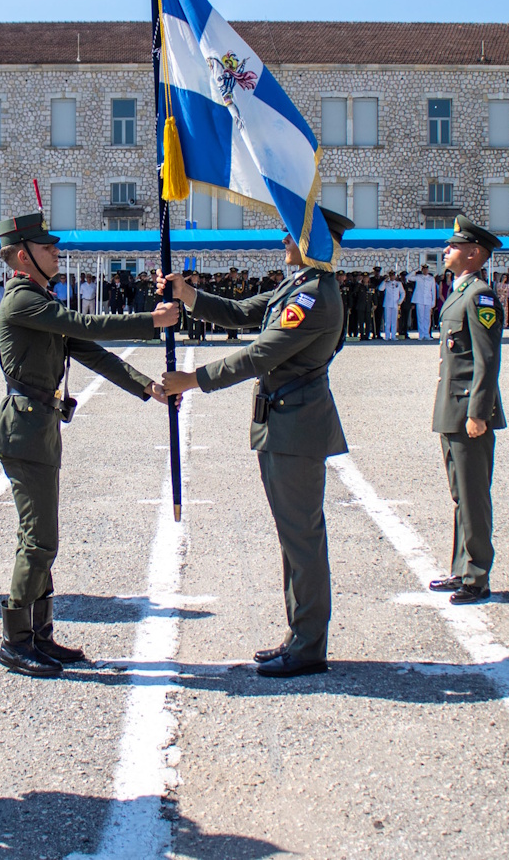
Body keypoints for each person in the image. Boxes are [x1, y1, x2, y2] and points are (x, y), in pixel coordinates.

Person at [162, 209, 352, 678]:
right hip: (283, 423)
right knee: (293, 538)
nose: (284, 237)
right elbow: (244, 313)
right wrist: (190, 295)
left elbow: (260, 354)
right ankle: (299, 634)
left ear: (315, 242)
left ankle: (309, 645)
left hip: (295, 426)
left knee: (302, 539)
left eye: (293, 232)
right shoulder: (297, 285)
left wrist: (192, 379)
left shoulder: (313, 296)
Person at [0, 213, 179, 676]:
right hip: (24, 430)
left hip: (40, 428)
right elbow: (84, 325)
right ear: (21, 255)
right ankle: (16, 642)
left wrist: (144, 385)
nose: (56, 253)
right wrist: (151, 321)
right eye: (47, 247)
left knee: (42, 539)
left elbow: (89, 351)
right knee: (39, 540)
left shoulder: (40, 298)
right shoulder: (21, 302)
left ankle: (41, 635)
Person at [427, 218, 505, 604]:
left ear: (474, 253)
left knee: (473, 494)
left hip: (468, 410)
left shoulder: (480, 295)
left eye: (454, 246)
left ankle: (477, 575)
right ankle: (461, 568)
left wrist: (479, 412)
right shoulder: (459, 292)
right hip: (451, 407)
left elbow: (486, 360)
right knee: (461, 493)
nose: (446, 250)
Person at [380, 270, 404, 340]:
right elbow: (380, 289)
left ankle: (393, 335)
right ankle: (387, 335)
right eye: (391, 275)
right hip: (387, 303)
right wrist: (384, 280)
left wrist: (400, 301)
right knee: (387, 320)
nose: (392, 277)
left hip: (395, 304)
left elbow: (403, 293)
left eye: (393, 275)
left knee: (394, 320)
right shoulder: (386, 283)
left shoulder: (398, 283)